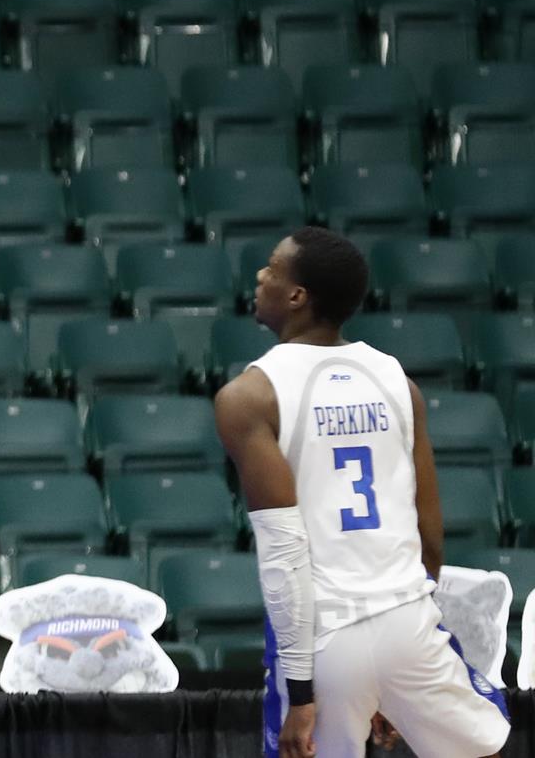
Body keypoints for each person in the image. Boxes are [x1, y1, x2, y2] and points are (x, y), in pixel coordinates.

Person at [215, 227, 510, 758]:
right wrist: (391, 679)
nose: (260, 276)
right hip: (408, 619)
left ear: (297, 296)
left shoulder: (248, 396)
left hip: (325, 637)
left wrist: (302, 694)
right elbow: (430, 535)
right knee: (485, 748)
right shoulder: (397, 380)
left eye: (272, 269)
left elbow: (283, 557)